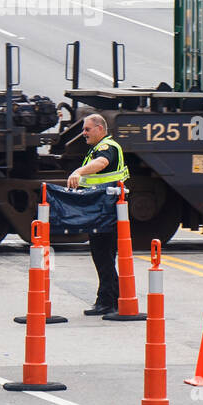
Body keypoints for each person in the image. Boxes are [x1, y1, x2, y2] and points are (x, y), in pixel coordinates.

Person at [67, 113, 129, 316]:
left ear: (100, 129)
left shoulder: (106, 147)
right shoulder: (96, 148)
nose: (84, 133)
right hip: (102, 209)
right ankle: (105, 299)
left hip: (107, 209)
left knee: (104, 255)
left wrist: (78, 172)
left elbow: (101, 163)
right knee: (102, 255)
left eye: (87, 129)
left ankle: (110, 302)